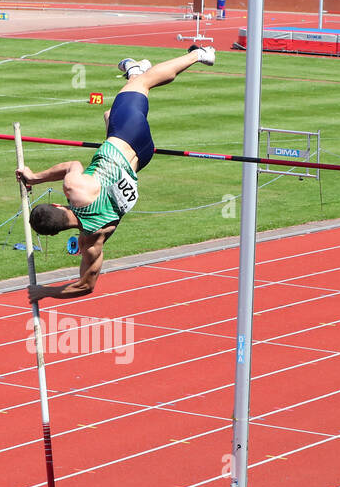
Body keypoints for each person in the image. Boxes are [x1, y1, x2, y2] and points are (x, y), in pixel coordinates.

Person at [15, 48, 215, 301]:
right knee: (144, 84)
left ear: (56, 233)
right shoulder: (75, 190)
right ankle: (200, 55)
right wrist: (35, 178)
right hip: (128, 134)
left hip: (142, 157)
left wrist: (44, 292)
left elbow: (85, 286)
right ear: (57, 203)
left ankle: (134, 70)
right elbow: (71, 165)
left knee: (108, 114)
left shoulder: (92, 241)